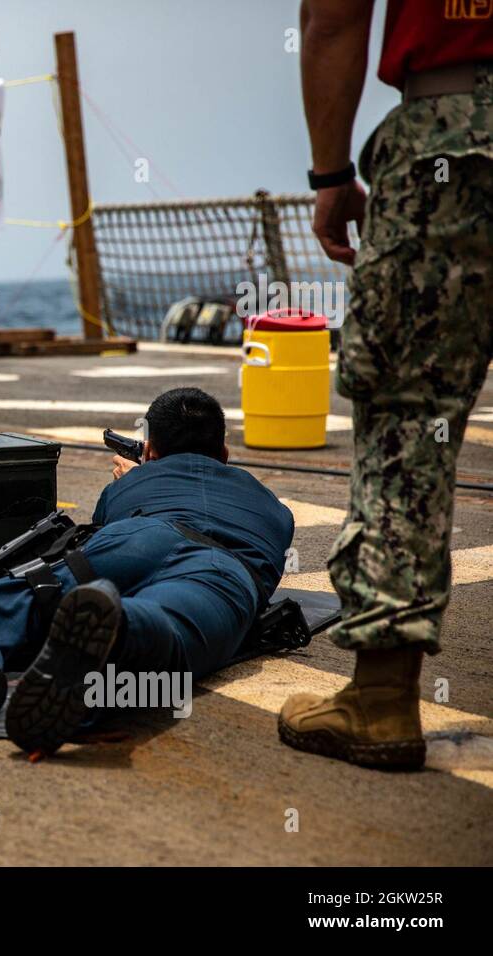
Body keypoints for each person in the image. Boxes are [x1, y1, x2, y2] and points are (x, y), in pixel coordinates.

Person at [0, 387, 295, 755]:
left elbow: (108, 520)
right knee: (167, 633)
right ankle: (116, 628)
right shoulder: (273, 508)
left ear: (149, 450)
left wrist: (134, 481)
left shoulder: (129, 486)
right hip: (221, 569)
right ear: (226, 452)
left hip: (131, 541)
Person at [280, 1, 493, 770]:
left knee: (410, 417)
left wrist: (332, 174)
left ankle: (381, 698)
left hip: (455, 132)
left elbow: (333, 17)